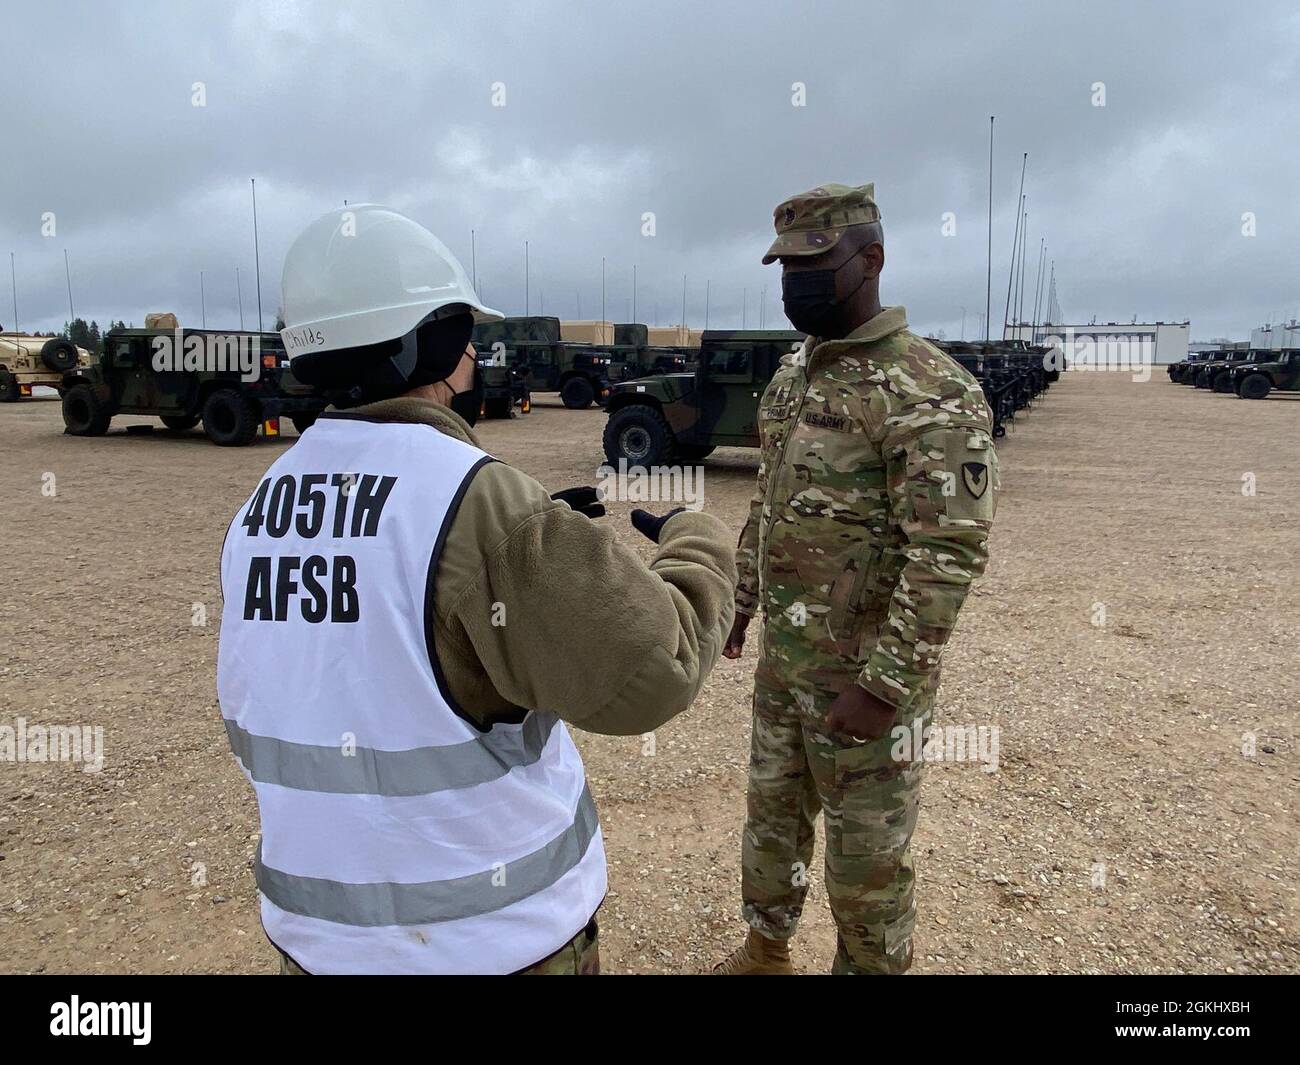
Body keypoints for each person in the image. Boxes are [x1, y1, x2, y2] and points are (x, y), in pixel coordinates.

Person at [217, 205, 737, 974]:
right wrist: (700, 540)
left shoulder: (260, 508)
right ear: (432, 343)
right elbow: (653, 672)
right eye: (462, 337)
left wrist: (531, 549)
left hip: (320, 944)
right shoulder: (481, 501)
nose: (471, 361)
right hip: (494, 941)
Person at [714, 184, 998, 975]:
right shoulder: (792, 376)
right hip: (786, 667)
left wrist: (884, 685)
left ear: (870, 259)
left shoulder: (929, 390)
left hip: (865, 685)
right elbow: (767, 505)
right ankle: (767, 950)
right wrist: (741, 601)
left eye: (814, 264)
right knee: (771, 823)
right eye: (784, 267)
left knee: (867, 860)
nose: (793, 282)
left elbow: (946, 555)